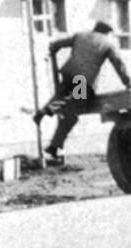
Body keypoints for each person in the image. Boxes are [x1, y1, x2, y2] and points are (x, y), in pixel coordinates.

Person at [33, 21, 131, 158]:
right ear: (107, 33)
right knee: (73, 113)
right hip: (82, 80)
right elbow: (119, 64)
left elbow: (56, 44)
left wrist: (53, 49)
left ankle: (46, 118)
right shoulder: (108, 43)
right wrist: (128, 83)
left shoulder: (81, 35)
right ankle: (53, 142)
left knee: (62, 102)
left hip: (68, 74)